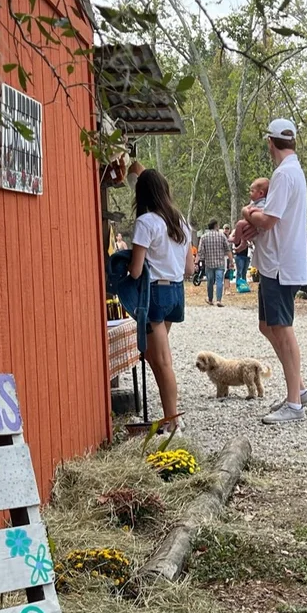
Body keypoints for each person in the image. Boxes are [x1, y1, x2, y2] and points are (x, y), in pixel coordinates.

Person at [241, 118, 307, 424]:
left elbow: (268, 220)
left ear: (270, 143)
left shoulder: (284, 174)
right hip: (274, 261)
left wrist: (247, 213)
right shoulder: (292, 171)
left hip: (279, 263)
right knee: (267, 326)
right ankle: (300, 389)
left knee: (282, 329)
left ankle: (294, 403)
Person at [127, 169, 189, 428]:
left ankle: (173, 420)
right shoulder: (181, 221)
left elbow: (136, 270)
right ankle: (170, 415)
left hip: (155, 294)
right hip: (176, 292)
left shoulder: (146, 223)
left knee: (162, 362)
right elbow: (191, 269)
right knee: (156, 358)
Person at [232, 178, 266, 290]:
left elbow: (263, 212)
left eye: (252, 191)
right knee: (241, 227)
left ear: (261, 193)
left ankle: (236, 240)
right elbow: (247, 210)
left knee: (239, 224)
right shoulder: (254, 202)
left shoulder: (263, 202)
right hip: (251, 223)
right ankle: (241, 242)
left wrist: (251, 212)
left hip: (253, 224)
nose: (249, 193)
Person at [197, 219, 232, 306]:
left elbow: (200, 251)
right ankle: (219, 300)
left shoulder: (204, 237)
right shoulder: (222, 236)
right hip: (220, 263)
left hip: (209, 263)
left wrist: (197, 262)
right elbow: (228, 249)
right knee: (219, 281)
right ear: (216, 226)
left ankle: (210, 299)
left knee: (210, 281)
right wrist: (231, 261)